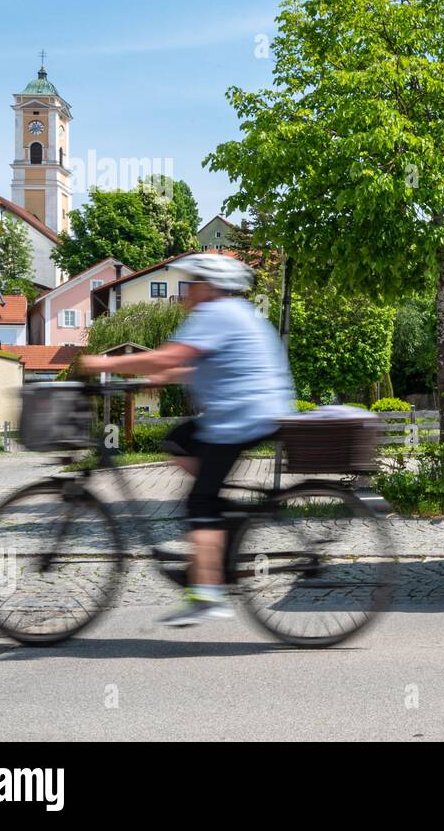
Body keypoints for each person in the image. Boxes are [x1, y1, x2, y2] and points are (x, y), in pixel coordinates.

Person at [80, 254, 294, 627]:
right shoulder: (236, 313)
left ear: (210, 287)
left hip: (240, 417)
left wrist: (104, 364)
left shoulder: (218, 313)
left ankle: (208, 593)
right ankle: (218, 521)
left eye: (191, 284)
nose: (186, 292)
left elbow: (172, 355)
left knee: (199, 501)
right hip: (249, 412)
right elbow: (193, 364)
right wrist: (157, 378)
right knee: (178, 441)